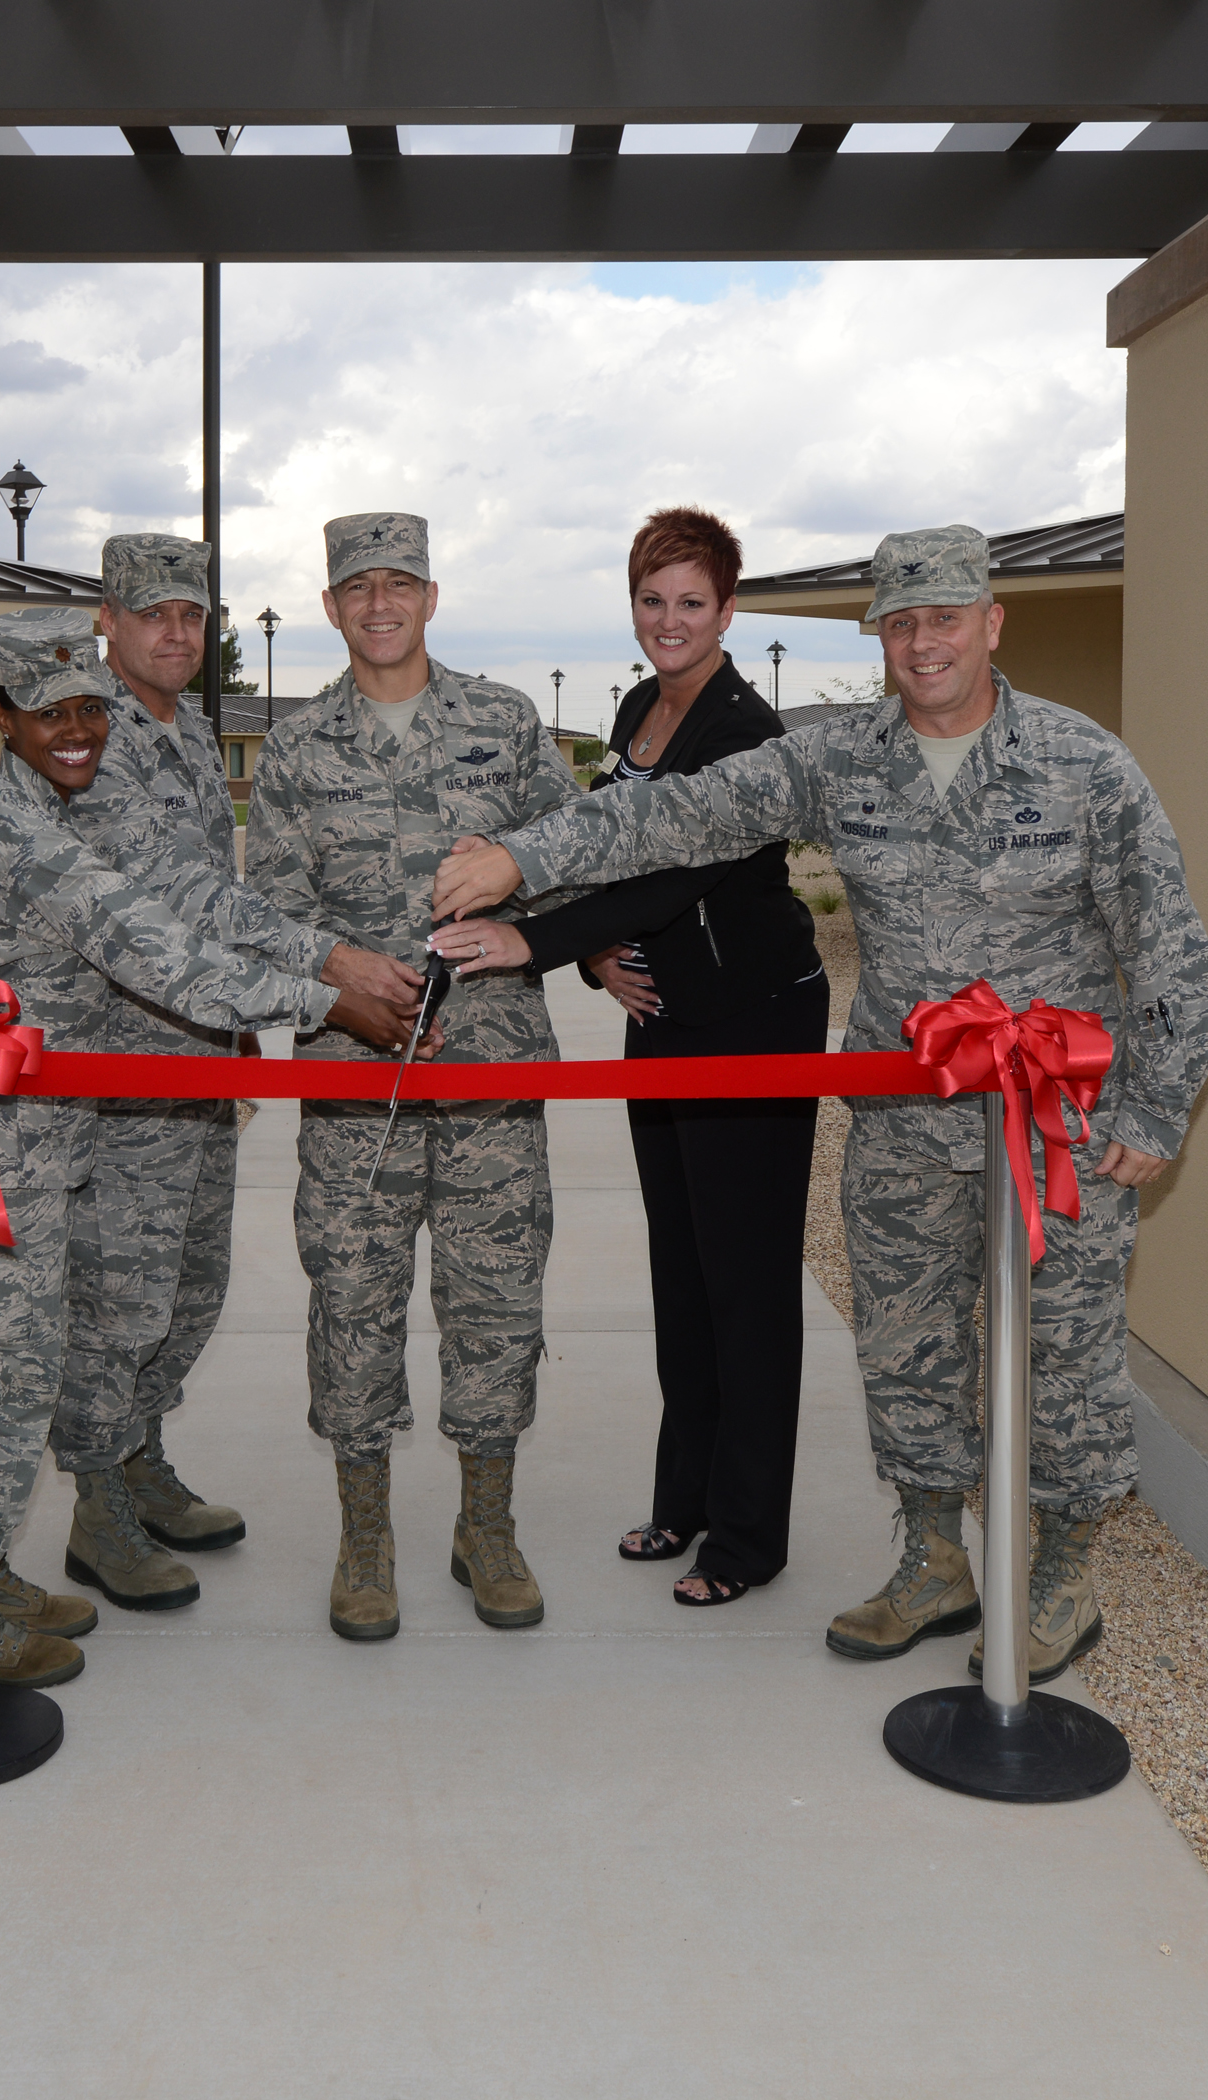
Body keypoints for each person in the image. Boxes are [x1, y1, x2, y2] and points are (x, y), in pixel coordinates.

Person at [433, 523, 1208, 1683]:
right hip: (903, 1120)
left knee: (1066, 1360)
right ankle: (933, 1560)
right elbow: (671, 814)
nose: (923, 643)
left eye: (944, 618)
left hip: (1053, 1121)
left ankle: (1063, 1573)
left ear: (991, 624)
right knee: (905, 1353)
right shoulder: (839, 759)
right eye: (900, 623)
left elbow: (1172, 952)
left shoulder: (1083, 764)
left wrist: (1154, 1113)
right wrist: (522, 860)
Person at [0, 611, 426, 1687]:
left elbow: (189, 896)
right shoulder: (6, 828)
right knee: (0, 1373)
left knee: (23, 1358)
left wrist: (324, 958)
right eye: (49, 712)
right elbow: (156, 950)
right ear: (3, 717)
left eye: (90, 710)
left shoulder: (57, 806)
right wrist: (324, 1002)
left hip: (35, 1133)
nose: (77, 730)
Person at [432, 506, 825, 1606]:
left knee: (747, 1283)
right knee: (682, 1273)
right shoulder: (639, 707)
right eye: (653, 600)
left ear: (728, 610)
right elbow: (612, 853)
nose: (670, 621)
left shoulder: (747, 732)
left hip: (753, 1020)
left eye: (691, 602)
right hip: (664, 1018)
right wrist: (599, 955)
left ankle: (746, 1540)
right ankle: (684, 1499)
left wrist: (535, 943)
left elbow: (674, 876)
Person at [51, 536, 428, 1611]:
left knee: (188, 1288)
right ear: (108, 623)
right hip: (121, 1069)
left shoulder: (187, 730)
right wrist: (328, 966)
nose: (176, 633)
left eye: (191, 614)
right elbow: (188, 896)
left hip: (198, 1059)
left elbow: (222, 894)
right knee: (120, 1296)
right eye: (152, 613)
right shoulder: (92, 738)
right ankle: (96, 1511)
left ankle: (139, 1462)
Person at [245, 511, 581, 1641]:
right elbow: (271, 912)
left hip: (492, 1073)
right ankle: (366, 1537)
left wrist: (515, 892)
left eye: (400, 584)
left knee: (497, 1303)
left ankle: (486, 1526)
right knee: (352, 1304)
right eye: (358, 588)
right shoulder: (298, 749)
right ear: (331, 607)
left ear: (432, 599)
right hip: (354, 1084)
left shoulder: (506, 722)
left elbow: (576, 857)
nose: (379, 604)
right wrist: (342, 978)